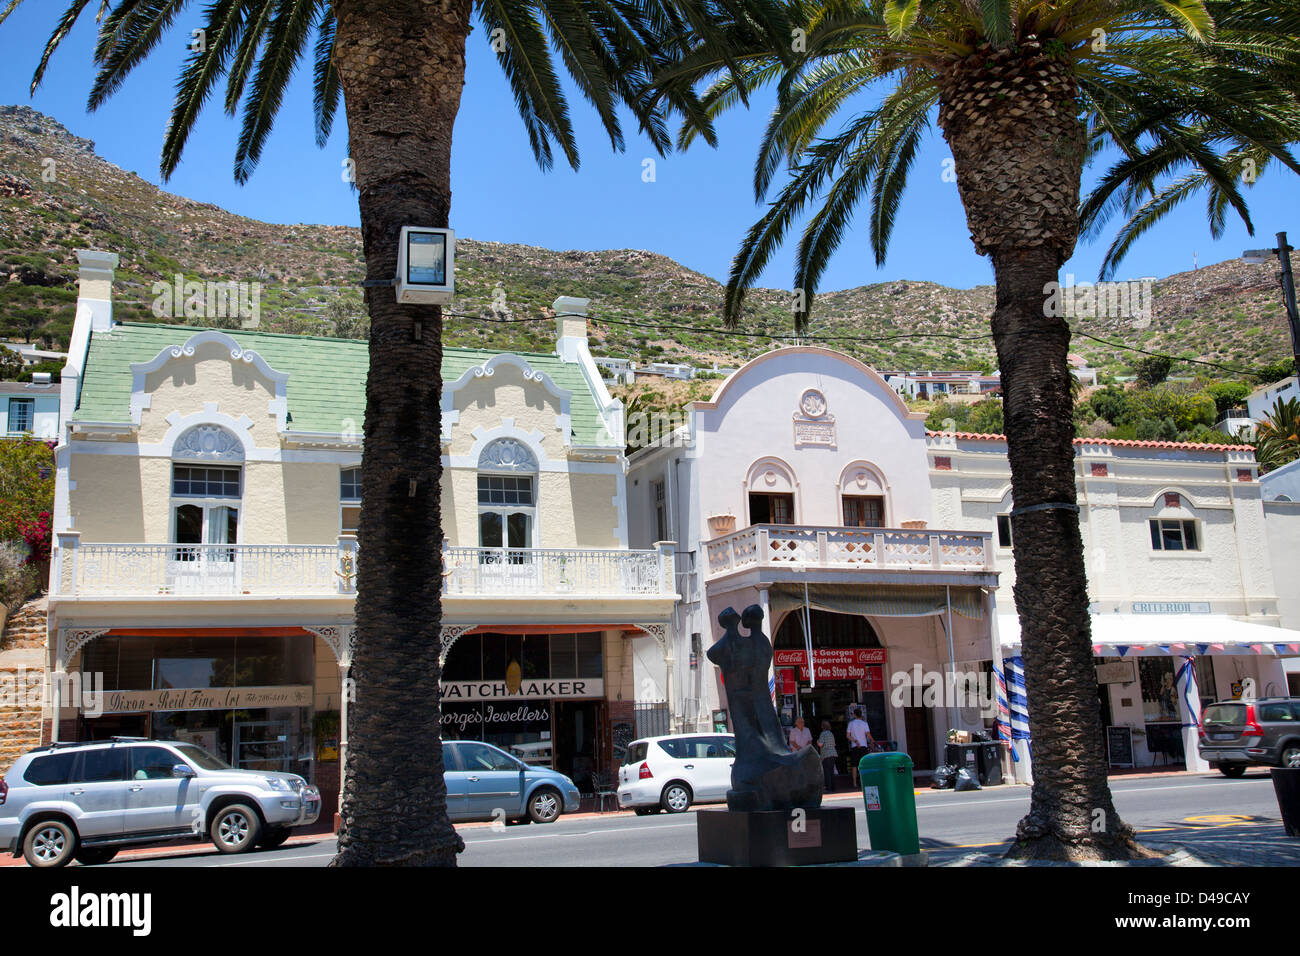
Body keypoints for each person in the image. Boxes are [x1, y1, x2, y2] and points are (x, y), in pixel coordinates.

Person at [846, 707, 875, 781]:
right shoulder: (864, 724)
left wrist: (855, 741)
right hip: (863, 746)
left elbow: (848, 736)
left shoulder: (851, 723)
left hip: (855, 746)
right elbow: (868, 734)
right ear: (861, 715)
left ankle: (854, 783)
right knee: (864, 764)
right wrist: (872, 741)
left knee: (854, 765)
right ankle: (865, 780)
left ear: (854, 715)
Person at [816, 720, 838, 791]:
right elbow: (834, 744)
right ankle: (833, 787)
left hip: (826, 755)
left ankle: (828, 788)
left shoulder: (823, 734)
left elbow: (820, 744)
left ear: (822, 726)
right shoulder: (831, 733)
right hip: (833, 754)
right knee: (831, 771)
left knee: (827, 772)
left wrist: (817, 741)